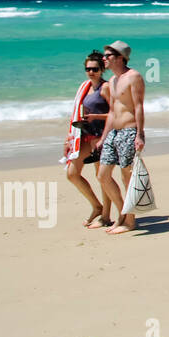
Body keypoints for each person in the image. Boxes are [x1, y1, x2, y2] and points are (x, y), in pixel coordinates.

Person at [96, 41, 146, 236]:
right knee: (103, 175)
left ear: (119, 57)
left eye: (107, 56)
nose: (103, 59)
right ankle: (122, 213)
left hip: (129, 131)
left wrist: (140, 134)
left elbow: (139, 106)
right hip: (114, 133)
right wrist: (103, 137)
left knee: (127, 177)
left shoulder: (133, 77)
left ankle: (130, 220)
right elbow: (111, 111)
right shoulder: (112, 82)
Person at [63, 51, 113, 229]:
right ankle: (96, 206)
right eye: (88, 69)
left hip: (101, 137)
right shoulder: (84, 87)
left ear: (102, 69)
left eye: (95, 69)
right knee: (72, 173)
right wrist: (69, 138)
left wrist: (95, 117)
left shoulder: (105, 88)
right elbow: (76, 113)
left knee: (102, 177)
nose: (91, 72)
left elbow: (115, 113)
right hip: (84, 136)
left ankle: (106, 216)